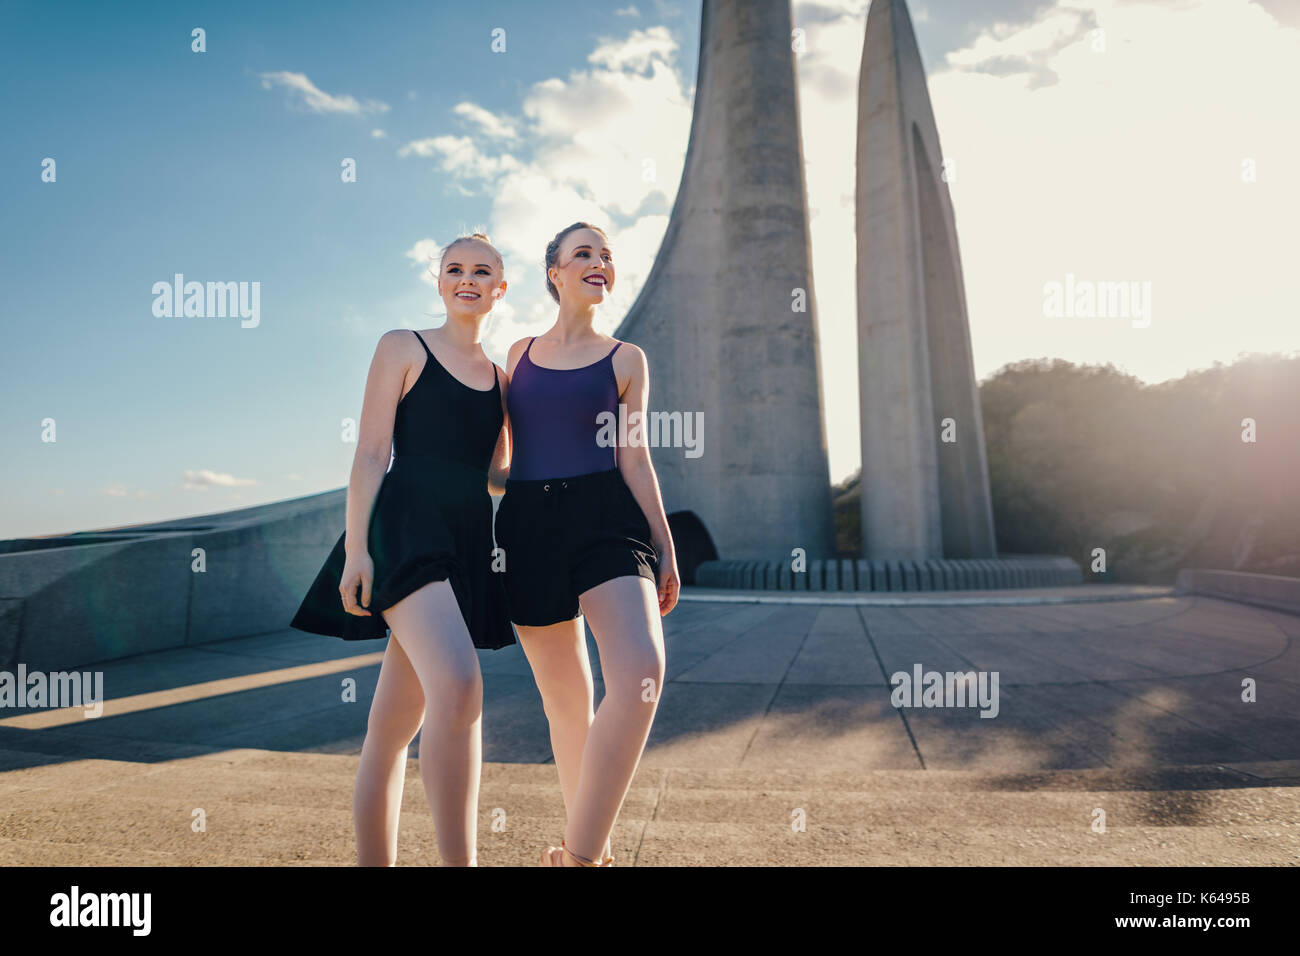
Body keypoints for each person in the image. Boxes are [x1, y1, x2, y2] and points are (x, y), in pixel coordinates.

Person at [290, 232, 515, 866]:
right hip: (406, 530)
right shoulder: (402, 347)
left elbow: (496, 474)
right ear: (439, 283)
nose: (465, 278)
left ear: (500, 288)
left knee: (389, 732)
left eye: (481, 271)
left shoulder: (502, 382)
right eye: (454, 269)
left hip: (468, 539)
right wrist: (358, 550)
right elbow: (370, 452)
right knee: (462, 685)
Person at [495, 221, 680, 867]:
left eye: (606, 255)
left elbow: (636, 457)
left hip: (608, 516)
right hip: (528, 524)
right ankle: (589, 853)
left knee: (640, 677)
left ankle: (577, 859)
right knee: (567, 706)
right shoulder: (515, 356)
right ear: (555, 273)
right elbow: (498, 464)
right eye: (584, 254)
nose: (599, 262)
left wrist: (665, 544)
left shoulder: (627, 357)